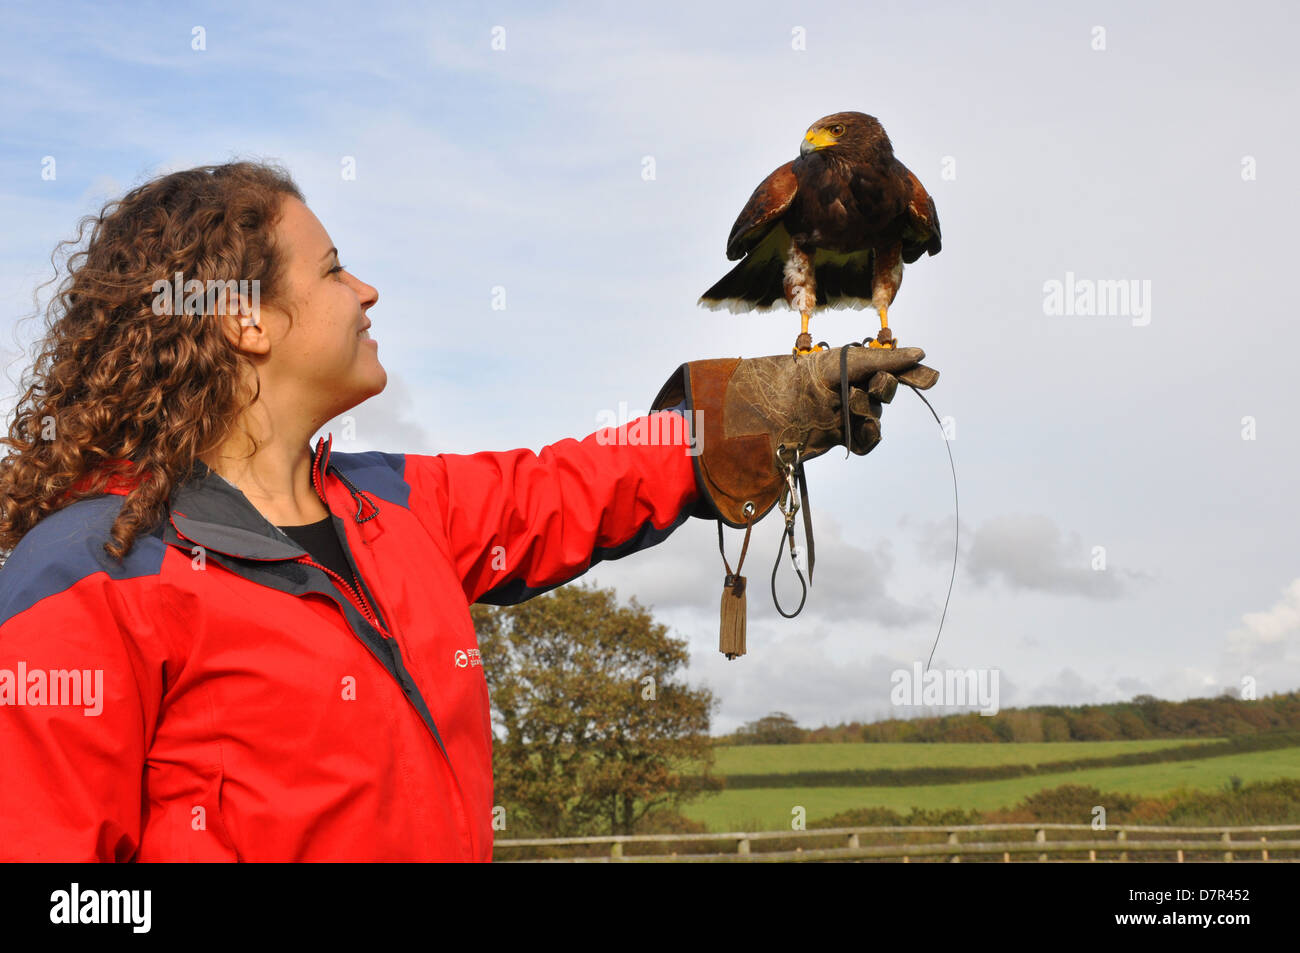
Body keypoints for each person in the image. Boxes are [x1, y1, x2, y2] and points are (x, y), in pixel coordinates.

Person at [0, 161, 935, 861]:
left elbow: (567, 486)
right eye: (332, 271)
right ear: (247, 319)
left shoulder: (391, 507)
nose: (365, 289)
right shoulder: (90, 568)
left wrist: (756, 414)